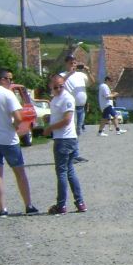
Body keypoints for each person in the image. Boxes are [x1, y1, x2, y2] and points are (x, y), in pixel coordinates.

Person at [0, 68, 38, 218]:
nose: (11, 82)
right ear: (2, 79)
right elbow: (18, 116)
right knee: (19, 172)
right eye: (9, 79)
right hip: (8, 139)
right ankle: (28, 205)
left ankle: (3, 209)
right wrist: (14, 126)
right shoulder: (8, 94)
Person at [44, 73, 86, 214]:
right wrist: (49, 118)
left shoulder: (67, 97)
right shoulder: (55, 98)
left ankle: (61, 205)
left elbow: (67, 120)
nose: (59, 89)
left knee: (62, 172)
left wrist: (50, 128)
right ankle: (80, 203)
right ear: (51, 86)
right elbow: (59, 116)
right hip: (63, 138)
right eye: (56, 87)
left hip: (65, 139)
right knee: (69, 171)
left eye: (61, 86)